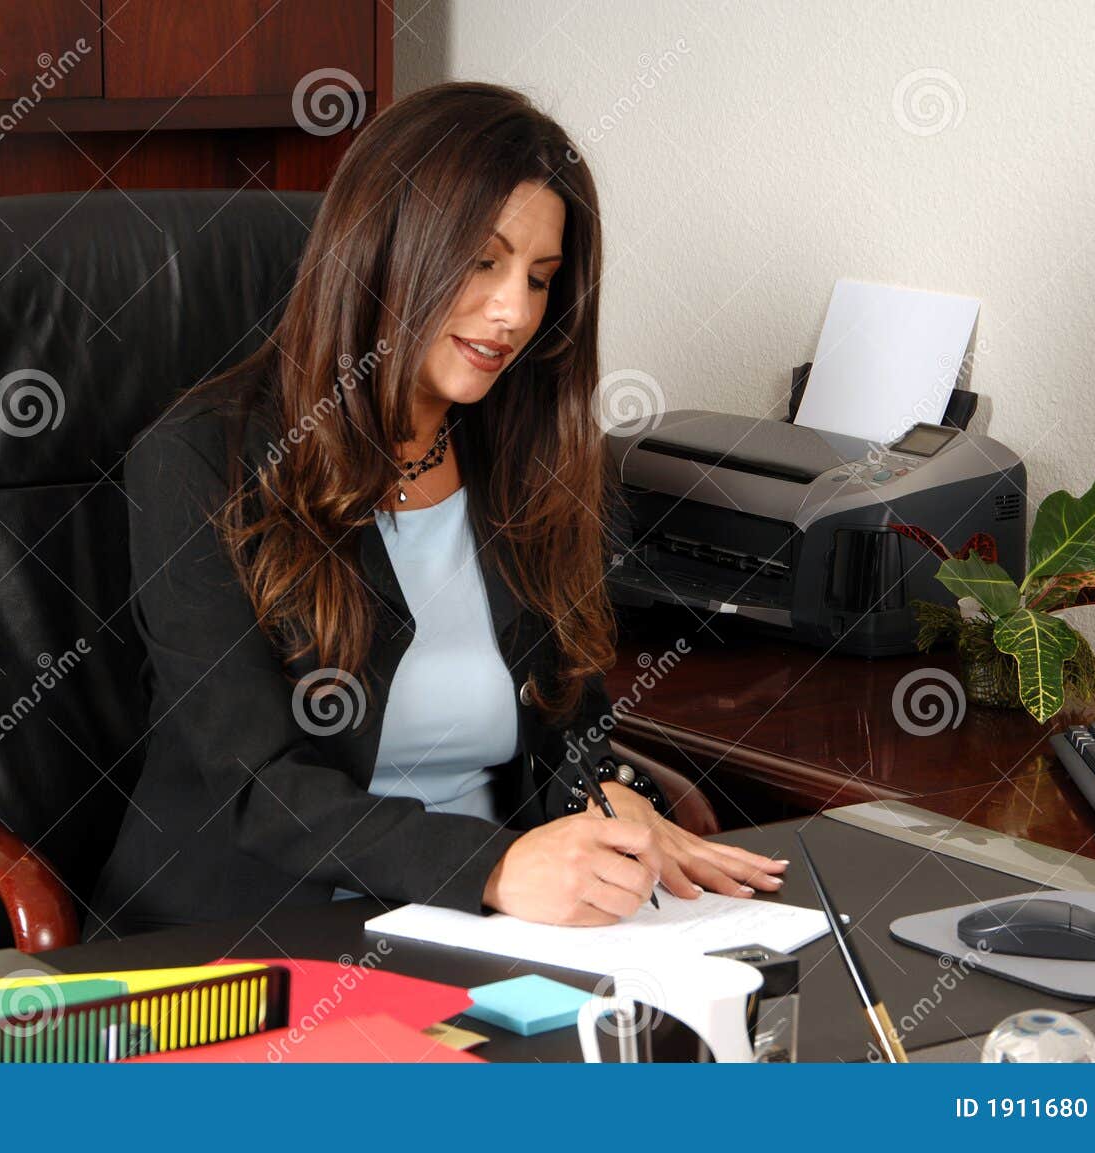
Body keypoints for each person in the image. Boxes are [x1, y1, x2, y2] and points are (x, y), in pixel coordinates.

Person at [84, 81, 787, 942]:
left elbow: (566, 715)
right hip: (252, 935)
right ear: (383, 250)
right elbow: (253, 786)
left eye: (540, 278)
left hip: (486, 928)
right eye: (482, 262)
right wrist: (488, 867)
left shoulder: (522, 456)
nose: (514, 313)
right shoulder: (202, 462)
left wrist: (612, 802)